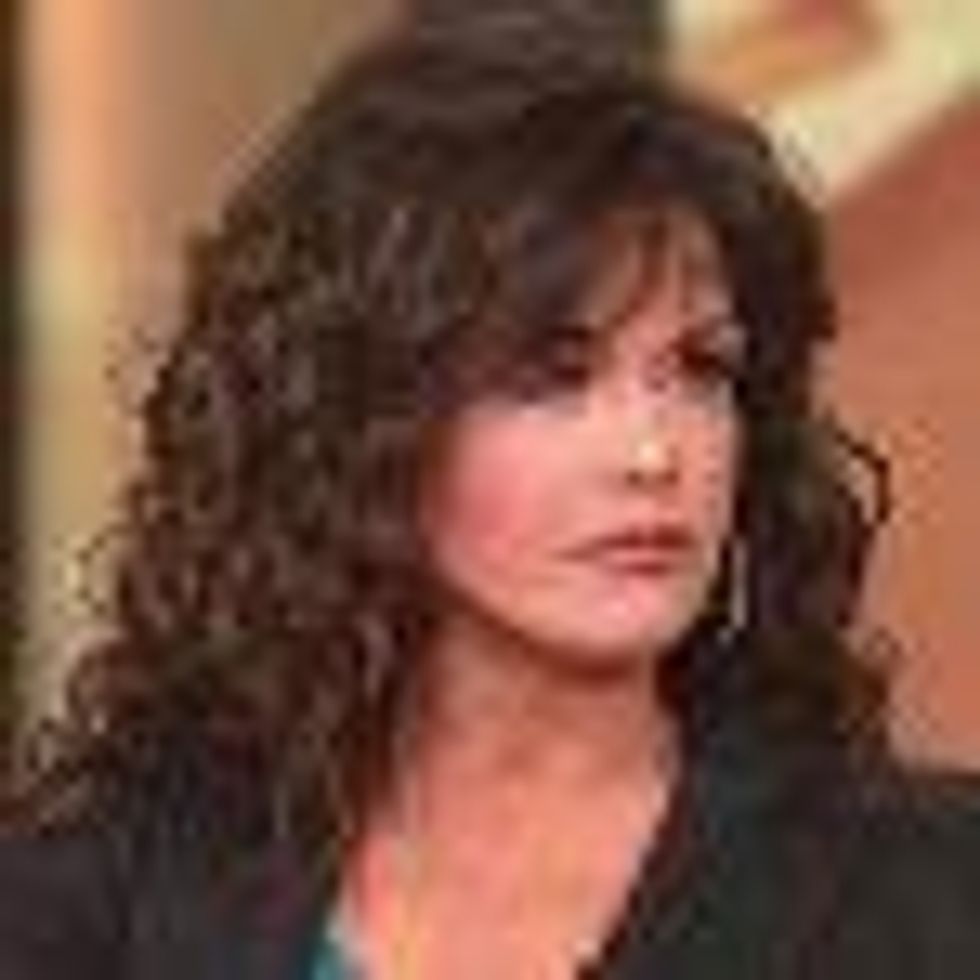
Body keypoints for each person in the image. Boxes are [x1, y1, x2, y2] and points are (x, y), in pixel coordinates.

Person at [3, 7, 980, 980]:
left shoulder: (931, 891)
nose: (653, 454)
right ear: (362, 413)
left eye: (699, 368)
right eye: (554, 377)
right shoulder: (103, 891)